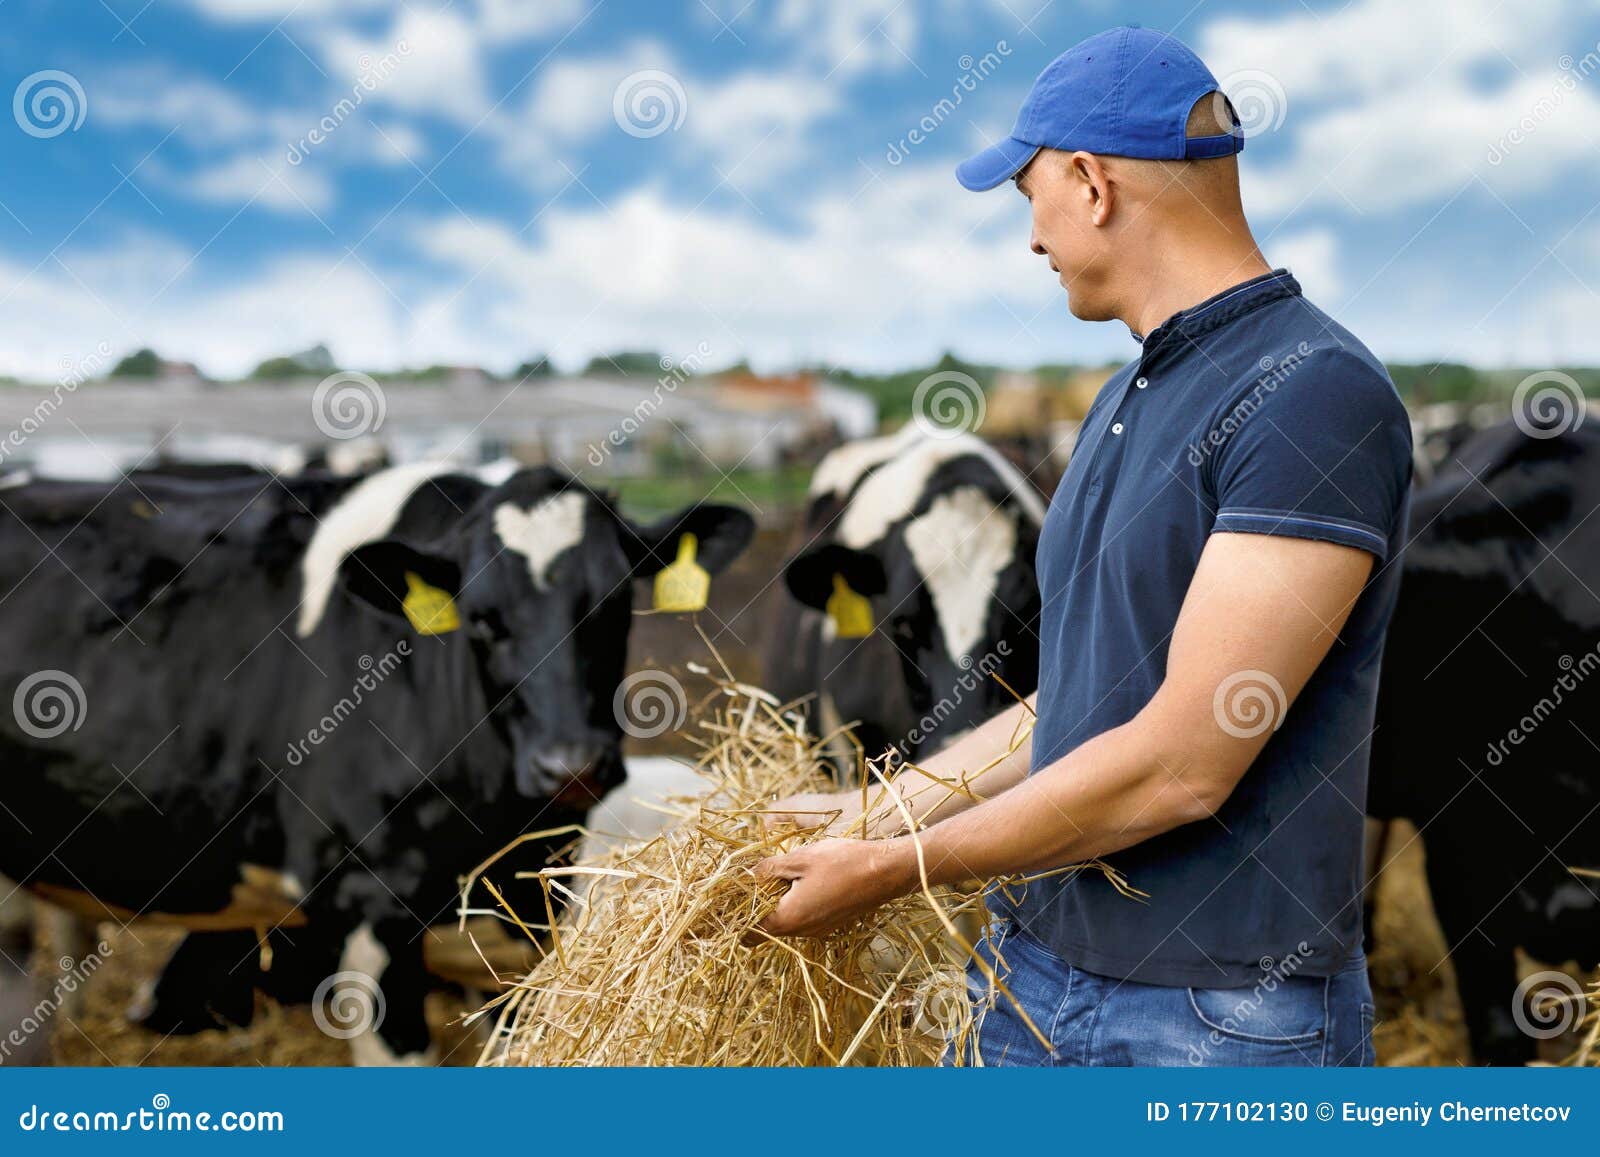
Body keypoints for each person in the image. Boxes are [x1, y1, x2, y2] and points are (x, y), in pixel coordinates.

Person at [756, 26, 1412, 1067]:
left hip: (1217, 1021)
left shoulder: (1313, 393)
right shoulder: (1125, 393)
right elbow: (1069, 706)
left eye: (1029, 200)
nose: (1031, 239)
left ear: (1089, 181)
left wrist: (898, 866)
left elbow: (1184, 765)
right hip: (1027, 980)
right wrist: (871, 809)